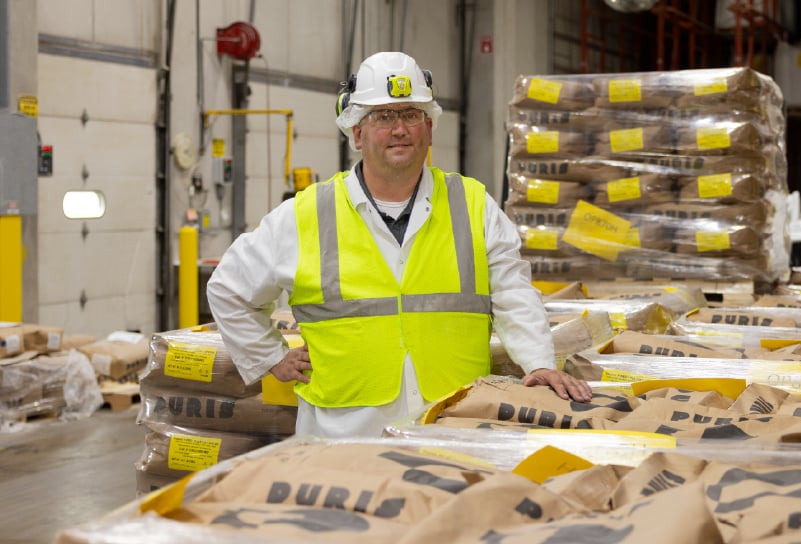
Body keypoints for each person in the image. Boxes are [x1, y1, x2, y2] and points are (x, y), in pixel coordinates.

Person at [207, 51, 592, 438]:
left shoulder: (472, 203)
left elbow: (513, 293)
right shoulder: (305, 214)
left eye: (411, 114)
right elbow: (228, 289)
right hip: (344, 435)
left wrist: (539, 362)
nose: (400, 129)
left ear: (429, 128)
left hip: (456, 426)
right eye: (384, 116)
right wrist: (270, 357)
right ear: (357, 133)